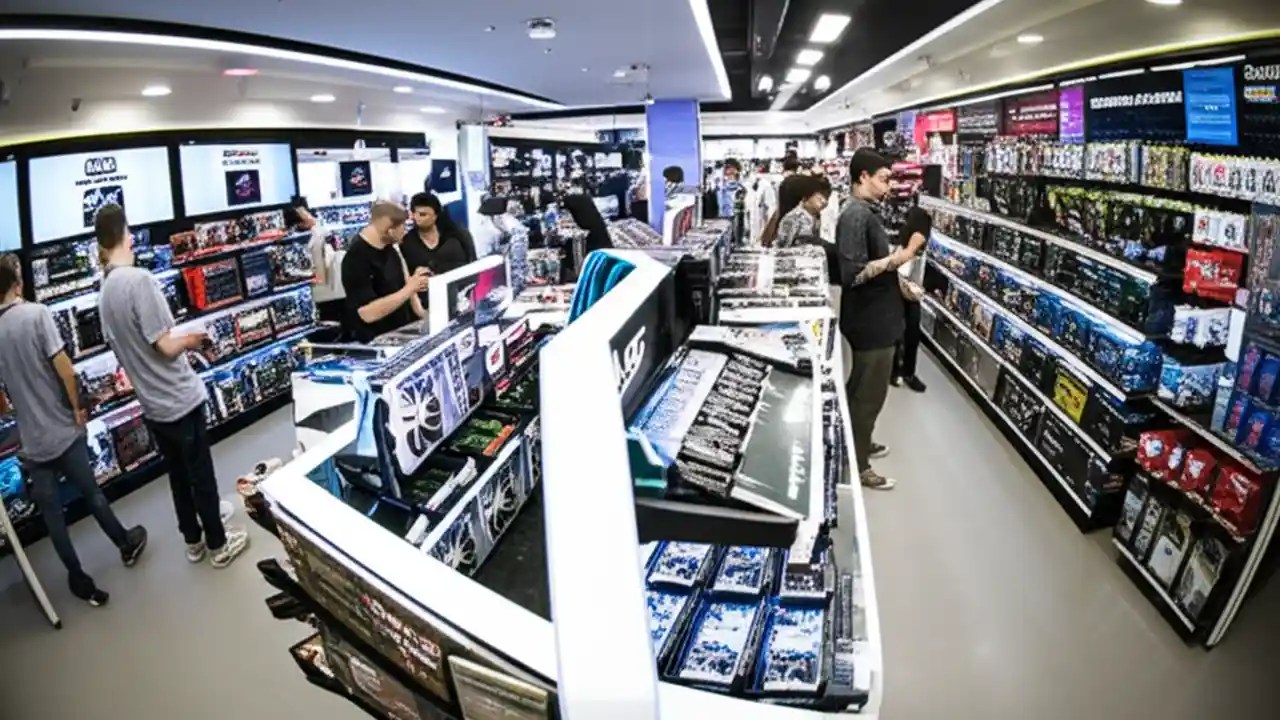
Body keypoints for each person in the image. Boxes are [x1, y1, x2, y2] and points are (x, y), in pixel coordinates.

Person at [94, 205, 248, 568]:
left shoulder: (105, 291)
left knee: (178, 476)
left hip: (152, 404)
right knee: (201, 474)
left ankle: (193, 541)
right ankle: (218, 543)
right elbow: (164, 346)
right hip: (178, 396)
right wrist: (196, 339)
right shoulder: (138, 280)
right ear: (127, 234)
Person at [0, 254, 147, 606]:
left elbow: (2, 404)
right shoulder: (37, 315)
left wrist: (22, 406)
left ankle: (79, 580)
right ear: (18, 283)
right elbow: (65, 370)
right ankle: (125, 544)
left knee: (53, 516)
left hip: (32, 441)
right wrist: (78, 409)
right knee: (91, 493)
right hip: (62, 431)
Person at [836, 149, 926, 491]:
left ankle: (858, 441)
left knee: (862, 390)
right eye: (883, 179)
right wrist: (902, 255)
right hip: (869, 322)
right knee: (867, 395)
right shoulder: (856, 216)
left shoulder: (866, 212)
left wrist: (900, 284)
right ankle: (858, 465)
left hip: (878, 317)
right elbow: (853, 274)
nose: (889, 186)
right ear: (863, 177)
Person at [341, 200, 427, 342]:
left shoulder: (391, 248)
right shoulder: (355, 260)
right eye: (403, 228)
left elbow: (407, 283)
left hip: (402, 333)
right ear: (390, 230)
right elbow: (366, 313)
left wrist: (423, 314)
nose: (404, 233)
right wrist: (410, 288)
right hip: (378, 339)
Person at [892, 208, 932, 393]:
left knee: (902, 333)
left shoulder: (905, 235)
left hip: (902, 291)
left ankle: (898, 371)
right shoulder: (917, 236)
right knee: (909, 334)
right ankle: (904, 372)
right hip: (905, 292)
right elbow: (904, 265)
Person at [288, 202, 345, 328]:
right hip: (323, 292)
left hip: (333, 288)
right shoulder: (304, 237)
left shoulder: (319, 232)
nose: (311, 218)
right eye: (304, 217)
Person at [400, 192, 477, 277]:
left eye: (423, 215)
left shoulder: (457, 235)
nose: (417, 218)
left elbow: (472, 263)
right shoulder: (407, 242)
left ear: (435, 216)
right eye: (414, 213)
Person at [774, 175, 832, 248]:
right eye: (820, 197)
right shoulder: (794, 217)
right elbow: (783, 246)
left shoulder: (816, 216)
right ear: (806, 197)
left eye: (827, 198)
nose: (824, 201)